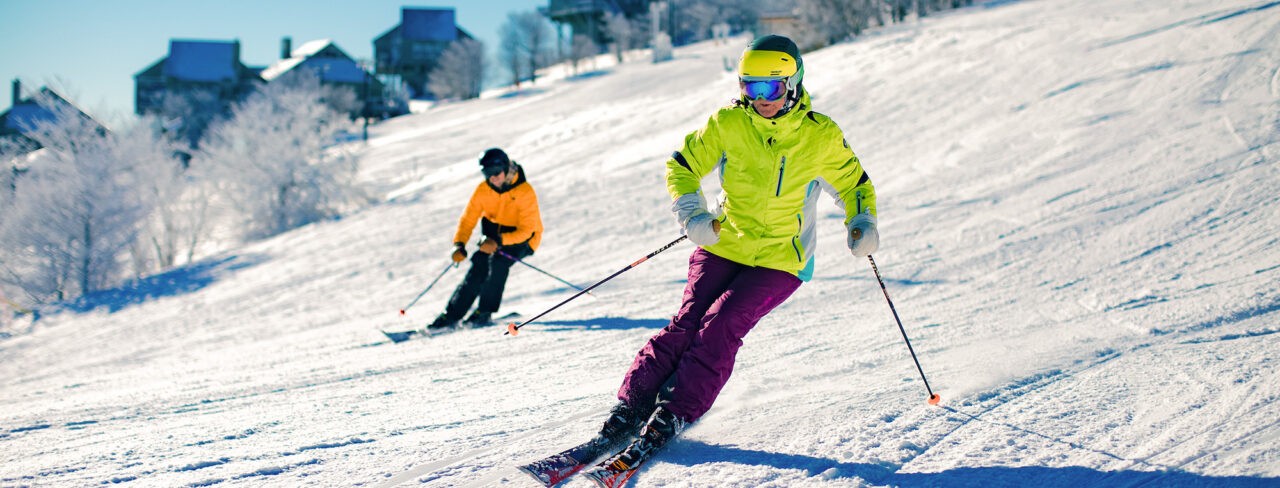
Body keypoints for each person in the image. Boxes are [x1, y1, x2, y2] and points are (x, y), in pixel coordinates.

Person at [589, 35, 880, 469]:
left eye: (771, 88)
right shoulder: (728, 122)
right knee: (687, 322)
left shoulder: (820, 136)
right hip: (725, 242)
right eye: (751, 87)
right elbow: (682, 165)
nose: (761, 98)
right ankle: (631, 405)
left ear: (794, 83)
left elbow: (855, 186)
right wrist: (693, 214)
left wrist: (862, 222)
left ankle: (676, 410)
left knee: (721, 324)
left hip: (783, 259)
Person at [428, 148, 543, 329]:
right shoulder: (483, 190)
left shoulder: (524, 191)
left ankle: (484, 311)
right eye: (486, 173)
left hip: (523, 240)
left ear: (505, 168)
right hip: (493, 239)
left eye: (495, 172)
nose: (492, 178)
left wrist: (497, 241)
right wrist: (459, 244)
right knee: (479, 264)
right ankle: (451, 316)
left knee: (498, 261)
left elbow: (527, 230)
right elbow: (468, 220)